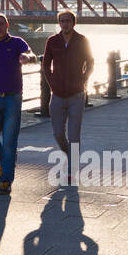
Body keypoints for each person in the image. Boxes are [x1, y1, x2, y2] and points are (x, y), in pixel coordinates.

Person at [0, 13, 37, 195]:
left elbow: (30, 54)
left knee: (10, 141)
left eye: (2, 24)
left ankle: (6, 180)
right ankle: (7, 162)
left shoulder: (17, 42)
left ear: (7, 25)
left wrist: (28, 58)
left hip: (12, 98)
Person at [42, 10, 94, 184]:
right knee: (58, 133)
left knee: (74, 135)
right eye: (62, 21)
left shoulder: (82, 40)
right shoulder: (52, 41)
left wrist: (84, 80)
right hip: (56, 95)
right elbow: (46, 64)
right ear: (59, 23)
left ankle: (72, 171)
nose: (65, 24)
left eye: (67, 21)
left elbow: (90, 62)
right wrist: (52, 83)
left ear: (74, 22)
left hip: (76, 95)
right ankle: (70, 154)